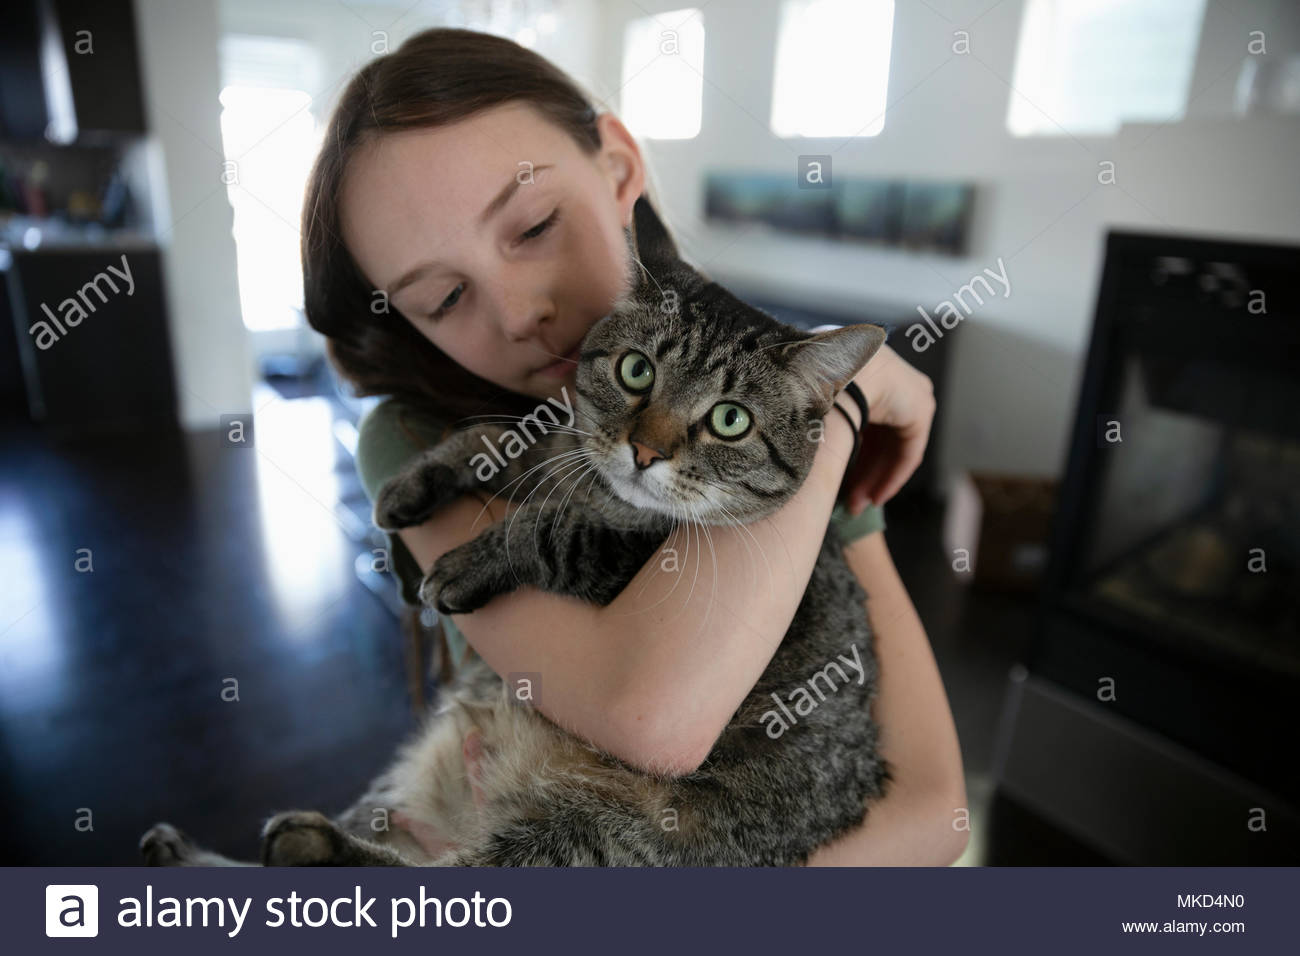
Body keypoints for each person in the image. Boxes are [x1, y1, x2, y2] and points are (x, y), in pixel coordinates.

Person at [302, 27, 967, 865]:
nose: (517, 313)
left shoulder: (767, 405)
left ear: (618, 166)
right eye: (443, 297)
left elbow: (940, 815)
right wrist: (851, 403)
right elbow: (654, 722)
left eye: (535, 225)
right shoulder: (415, 440)